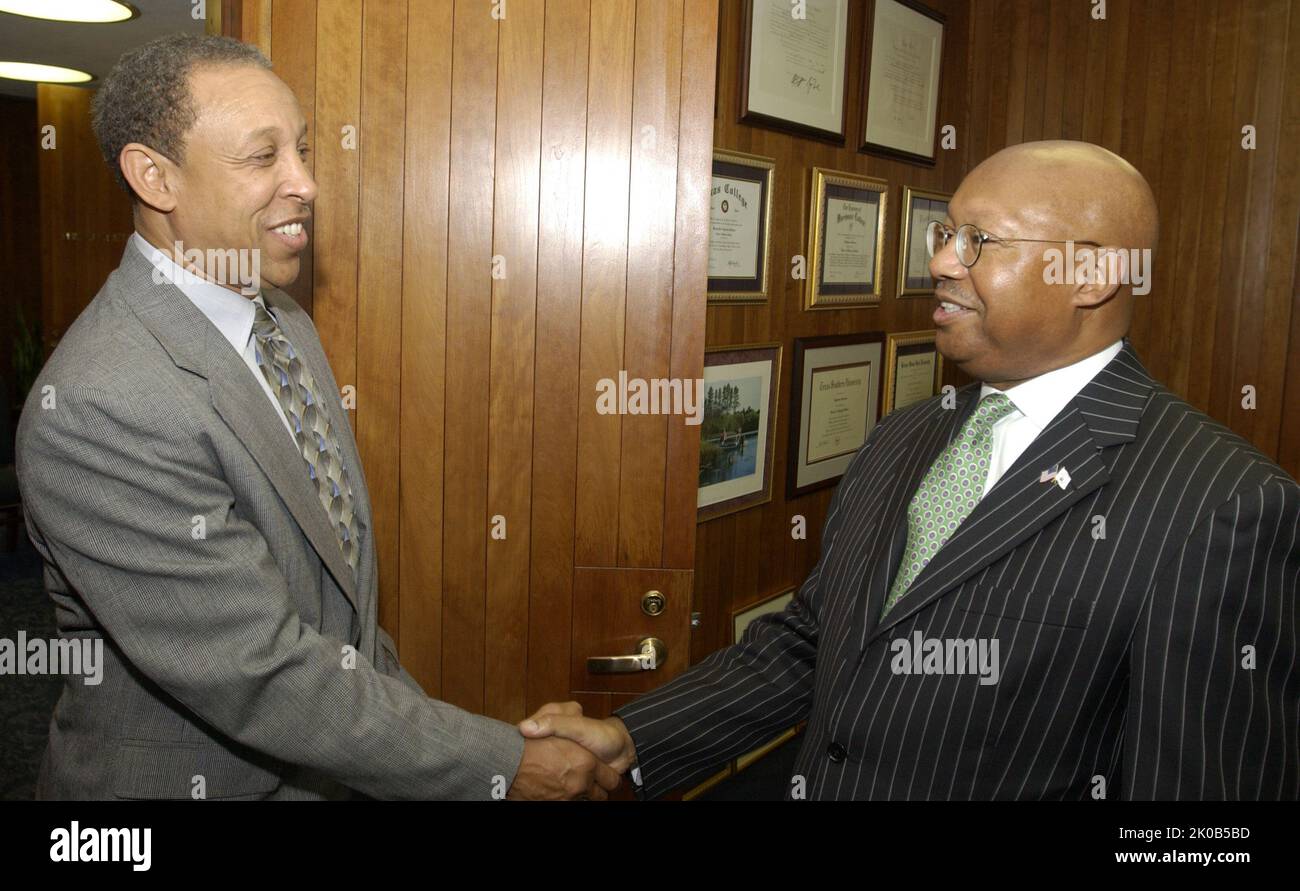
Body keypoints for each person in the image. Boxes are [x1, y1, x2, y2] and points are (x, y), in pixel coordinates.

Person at [522, 140, 1300, 800]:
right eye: (942, 233)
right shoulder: (905, 436)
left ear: (1090, 277)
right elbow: (812, 642)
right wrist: (631, 736)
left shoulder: (1222, 503)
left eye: (977, 241)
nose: (939, 262)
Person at [15, 33, 617, 801]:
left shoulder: (283, 324)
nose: (306, 182)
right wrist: (500, 762)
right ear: (154, 176)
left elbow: (339, 613)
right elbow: (259, 669)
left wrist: (446, 740)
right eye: (262, 158)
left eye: (300, 149)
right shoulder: (104, 402)